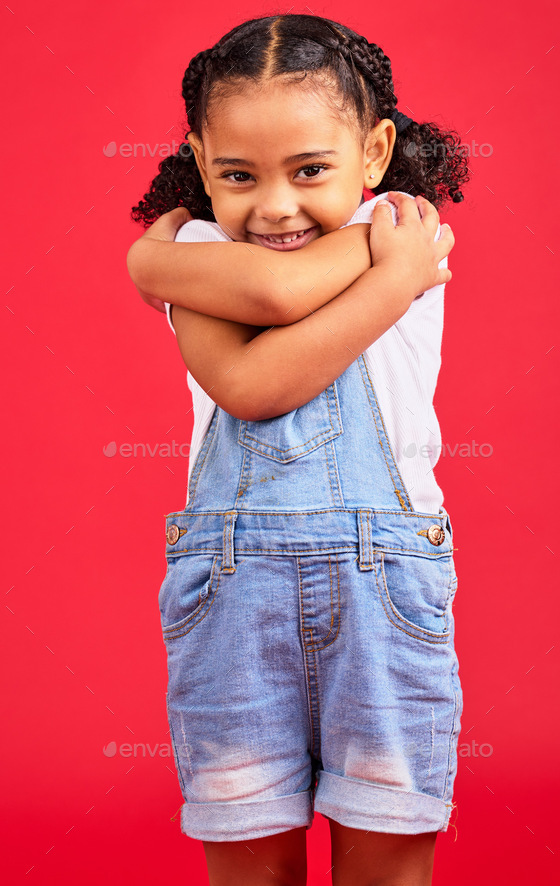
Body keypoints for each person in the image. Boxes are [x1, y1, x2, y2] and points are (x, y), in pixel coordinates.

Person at [127, 13, 470, 886]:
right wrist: (388, 275)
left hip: (384, 585)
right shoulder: (361, 250)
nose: (275, 206)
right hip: (234, 598)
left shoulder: (398, 230)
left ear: (374, 151)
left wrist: (146, 264)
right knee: (248, 861)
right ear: (202, 162)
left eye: (310, 170)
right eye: (237, 174)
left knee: (387, 852)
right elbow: (252, 378)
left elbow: (275, 294)